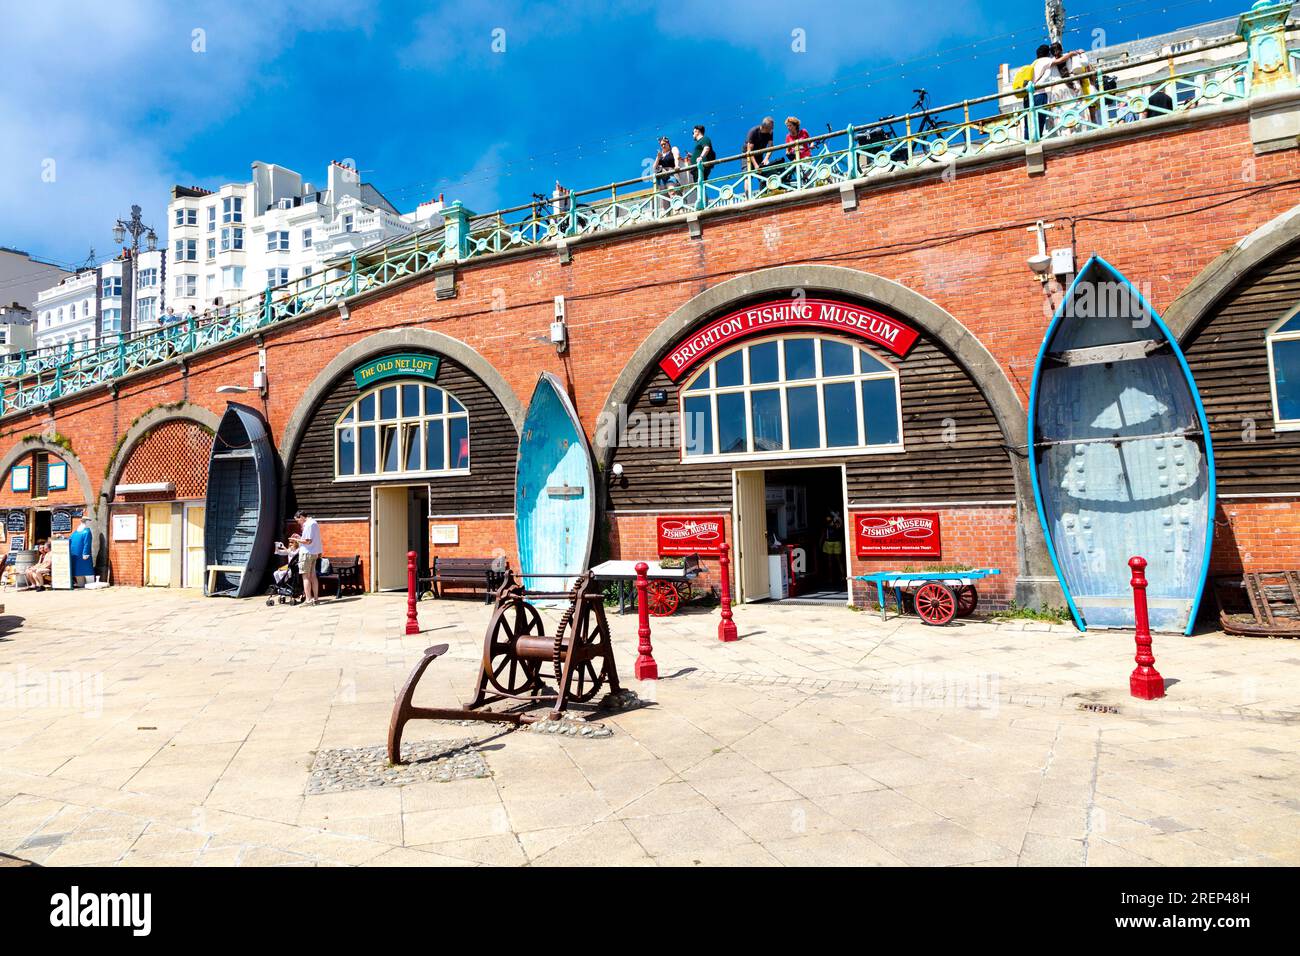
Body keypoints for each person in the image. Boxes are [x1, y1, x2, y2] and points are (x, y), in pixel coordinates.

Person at [290, 509, 323, 606]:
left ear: (302, 517)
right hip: (314, 552)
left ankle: (308, 600)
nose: (298, 523)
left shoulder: (308, 524)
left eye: (298, 521)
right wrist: (300, 538)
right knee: (313, 576)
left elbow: (308, 541)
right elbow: (313, 539)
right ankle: (316, 599)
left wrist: (295, 539)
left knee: (305, 576)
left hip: (306, 553)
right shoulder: (314, 523)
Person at [783, 116, 811, 187]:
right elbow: (787, 151)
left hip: (806, 157)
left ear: (795, 125)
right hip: (796, 160)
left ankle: (807, 184)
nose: (788, 128)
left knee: (807, 172)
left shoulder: (804, 132)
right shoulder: (788, 137)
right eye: (787, 126)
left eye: (790, 126)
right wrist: (790, 155)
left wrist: (812, 146)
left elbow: (811, 142)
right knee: (791, 173)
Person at [69, 517, 93, 586]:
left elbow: (87, 543)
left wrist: (86, 553)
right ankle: (82, 584)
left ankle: (88, 584)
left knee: (86, 570)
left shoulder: (83, 532)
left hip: (80, 554)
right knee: (79, 571)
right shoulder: (78, 532)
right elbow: (87, 543)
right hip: (77, 555)